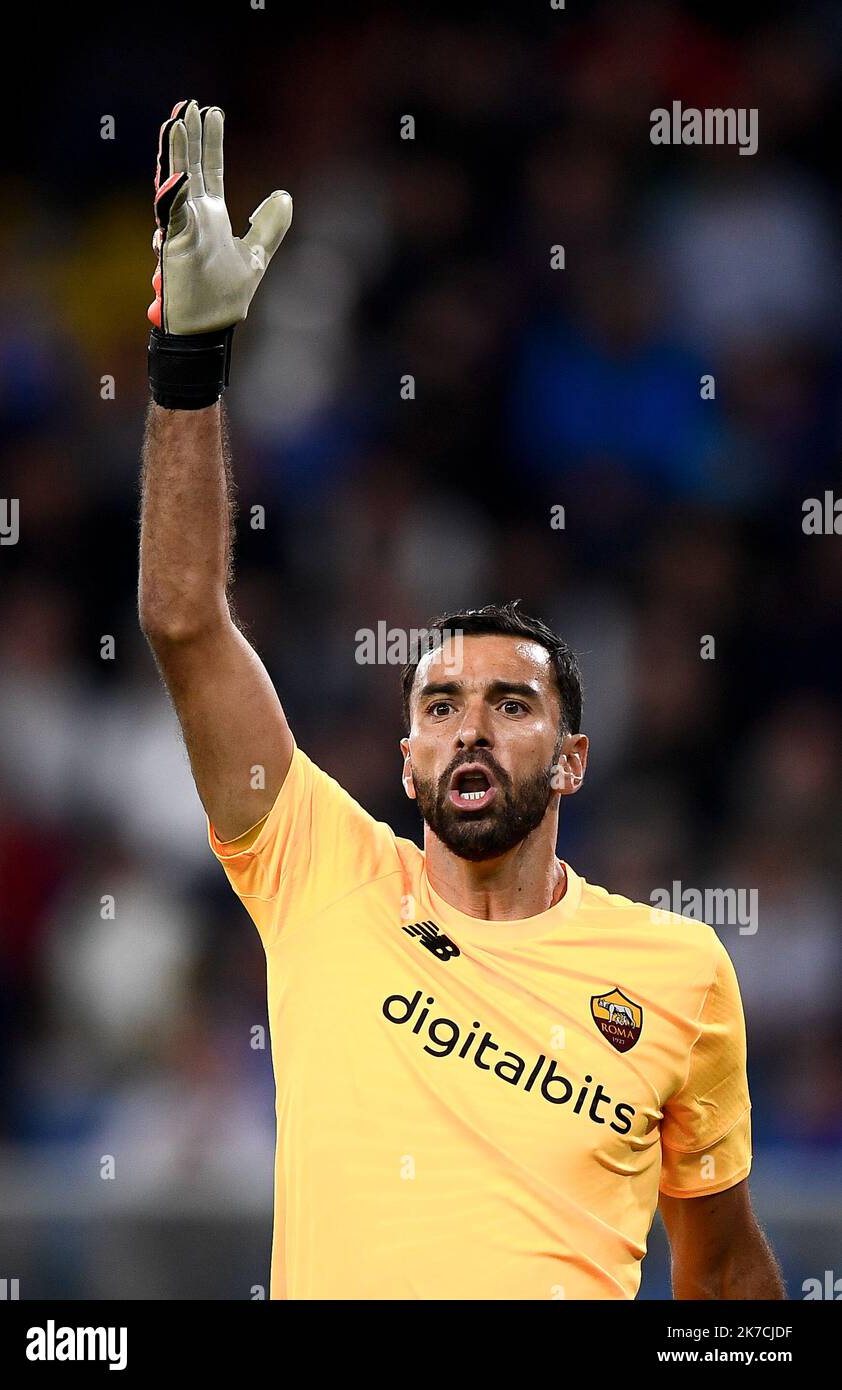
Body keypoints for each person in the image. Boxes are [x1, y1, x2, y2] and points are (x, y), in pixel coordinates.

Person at [138, 99, 785, 1300]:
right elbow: (184, 620)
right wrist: (188, 365)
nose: (470, 724)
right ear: (403, 758)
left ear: (573, 758)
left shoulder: (678, 973)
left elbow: (727, 1278)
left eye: (509, 703)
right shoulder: (320, 869)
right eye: (438, 705)